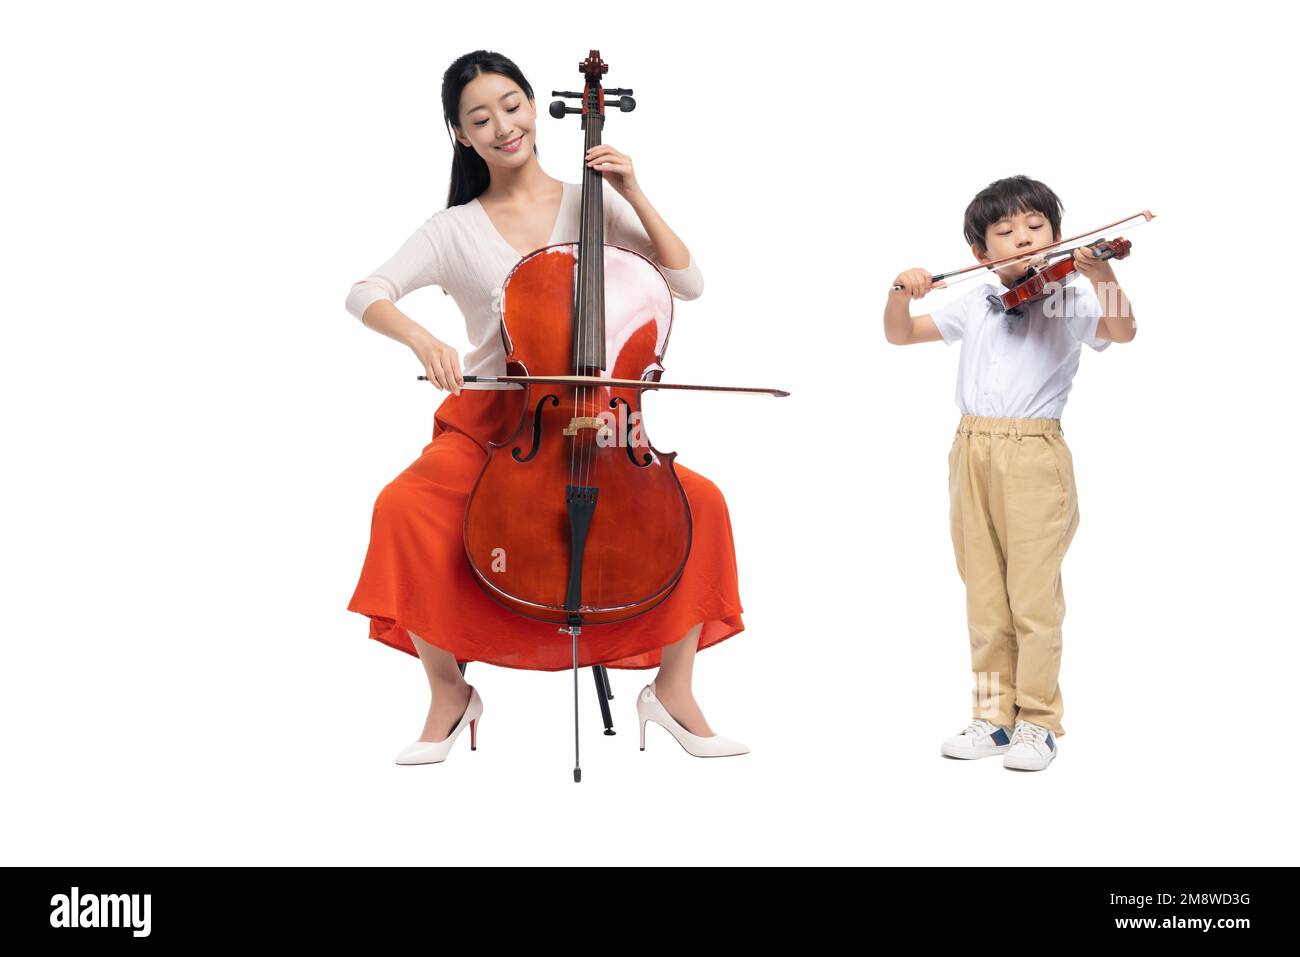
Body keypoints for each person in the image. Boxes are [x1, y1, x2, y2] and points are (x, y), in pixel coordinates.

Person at [344, 50, 749, 766]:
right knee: (402, 508)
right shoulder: (455, 229)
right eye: (480, 118)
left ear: (535, 106)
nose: (503, 125)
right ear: (461, 136)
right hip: (492, 423)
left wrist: (635, 190)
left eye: (512, 105)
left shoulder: (587, 200)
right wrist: (419, 336)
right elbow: (366, 292)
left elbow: (686, 280)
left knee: (703, 505)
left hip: (601, 416)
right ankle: (449, 691)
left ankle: (673, 690)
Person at [883, 175, 1137, 771]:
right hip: (970, 447)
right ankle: (994, 718)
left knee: (1032, 598)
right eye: (1005, 231)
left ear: (1056, 234)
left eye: (1036, 227)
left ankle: (1038, 723)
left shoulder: (1067, 295)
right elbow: (900, 333)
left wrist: (1102, 274)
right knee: (985, 597)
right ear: (980, 252)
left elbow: (1122, 330)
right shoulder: (974, 300)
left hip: (1032, 454)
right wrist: (901, 290)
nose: (1022, 238)